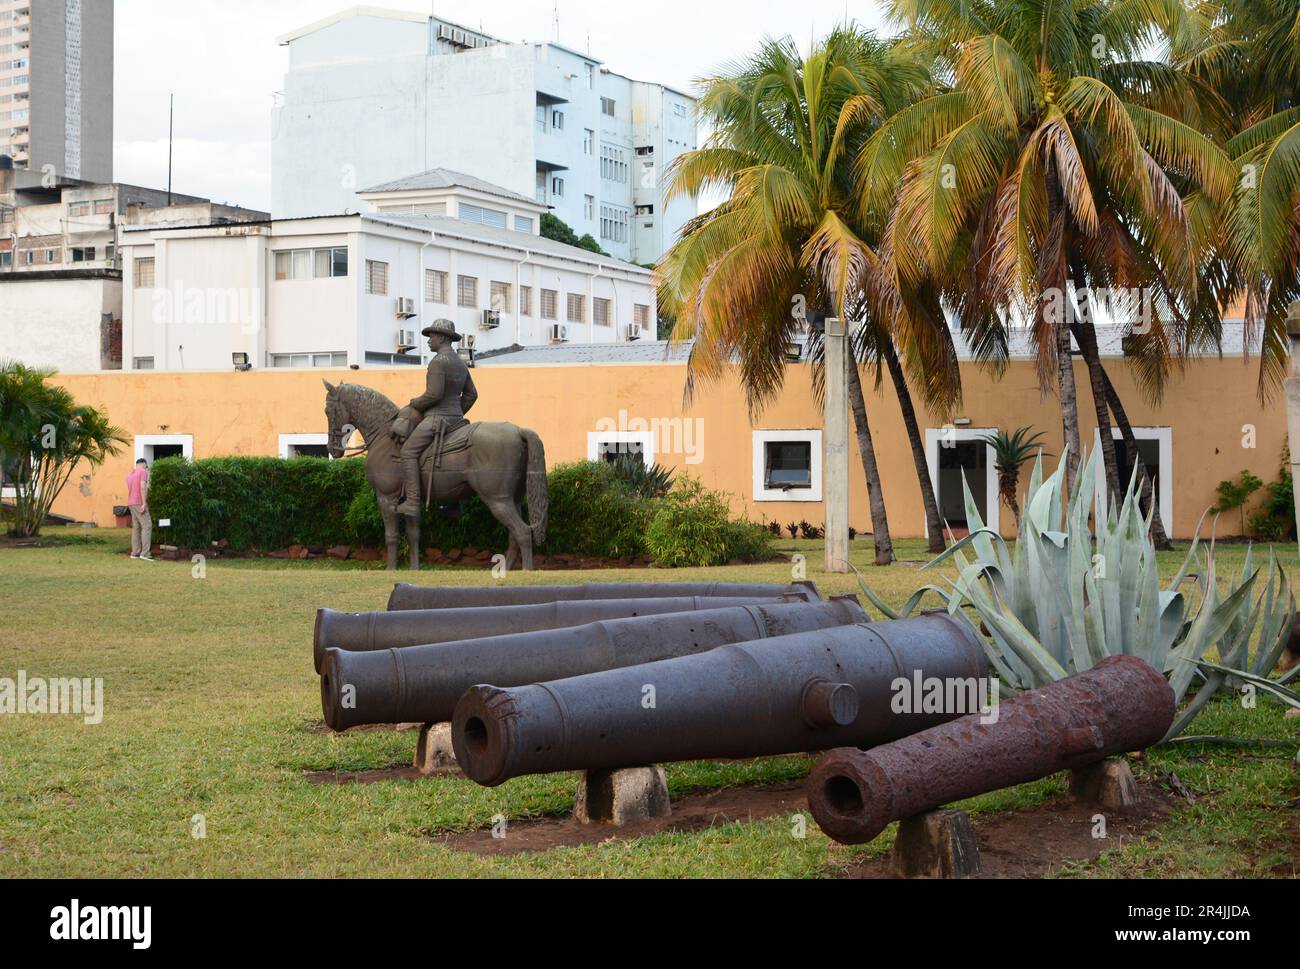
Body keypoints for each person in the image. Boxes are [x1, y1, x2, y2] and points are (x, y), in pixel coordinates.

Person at [392, 321, 478, 517]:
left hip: (437, 419)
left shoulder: (438, 362)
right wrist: (457, 412)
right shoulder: (460, 363)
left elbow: (434, 395)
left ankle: (412, 501)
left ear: (443, 337)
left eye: (432, 336)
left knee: (408, 452)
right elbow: (472, 395)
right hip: (457, 421)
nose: (429, 340)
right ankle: (454, 503)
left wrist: (415, 403)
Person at [126, 458, 154, 561]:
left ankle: (135, 553)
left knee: (136, 528)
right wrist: (144, 503)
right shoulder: (142, 472)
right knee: (147, 525)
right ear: (143, 465)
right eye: (146, 467)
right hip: (139, 502)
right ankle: (145, 553)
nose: (146, 469)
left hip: (131, 503)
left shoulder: (129, 474)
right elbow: (143, 487)